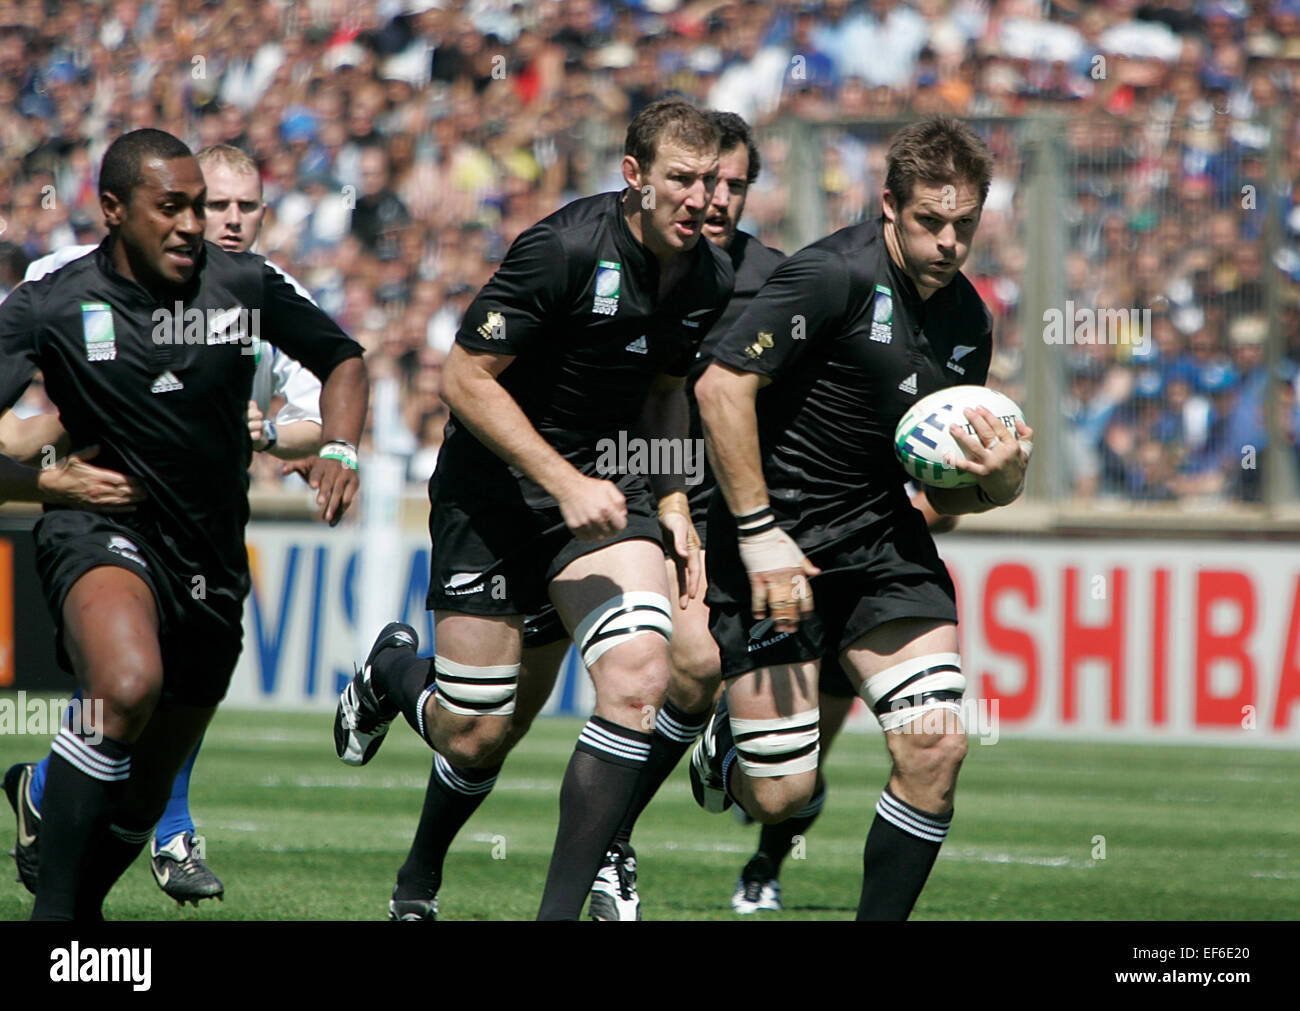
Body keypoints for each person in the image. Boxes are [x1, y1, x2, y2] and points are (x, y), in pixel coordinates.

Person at [332, 99, 732, 920]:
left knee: (641, 675)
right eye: (682, 180)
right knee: (475, 731)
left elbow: (663, 394)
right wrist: (562, 480)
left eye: (712, 180)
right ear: (635, 178)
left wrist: (675, 504)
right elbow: (464, 379)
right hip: (494, 499)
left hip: (604, 501)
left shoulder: (710, 274)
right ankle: (393, 676)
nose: (702, 198)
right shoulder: (565, 247)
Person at [0, 128, 367, 920]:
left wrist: (340, 446)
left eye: (202, 207)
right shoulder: (52, 301)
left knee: (145, 791)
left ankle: (74, 895)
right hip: (101, 533)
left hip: (210, 561)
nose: (195, 224)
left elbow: (343, 357)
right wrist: (46, 488)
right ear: (112, 210)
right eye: (173, 207)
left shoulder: (245, 284)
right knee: (126, 685)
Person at [692, 114, 1032, 921]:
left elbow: (941, 496)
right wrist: (756, 530)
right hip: (778, 546)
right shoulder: (830, 276)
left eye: (964, 225)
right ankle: (727, 746)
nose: (949, 241)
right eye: (930, 221)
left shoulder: (968, 322)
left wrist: (1004, 480)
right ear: (888, 205)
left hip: (882, 542)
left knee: (936, 744)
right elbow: (718, 387)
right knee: (780, 795)